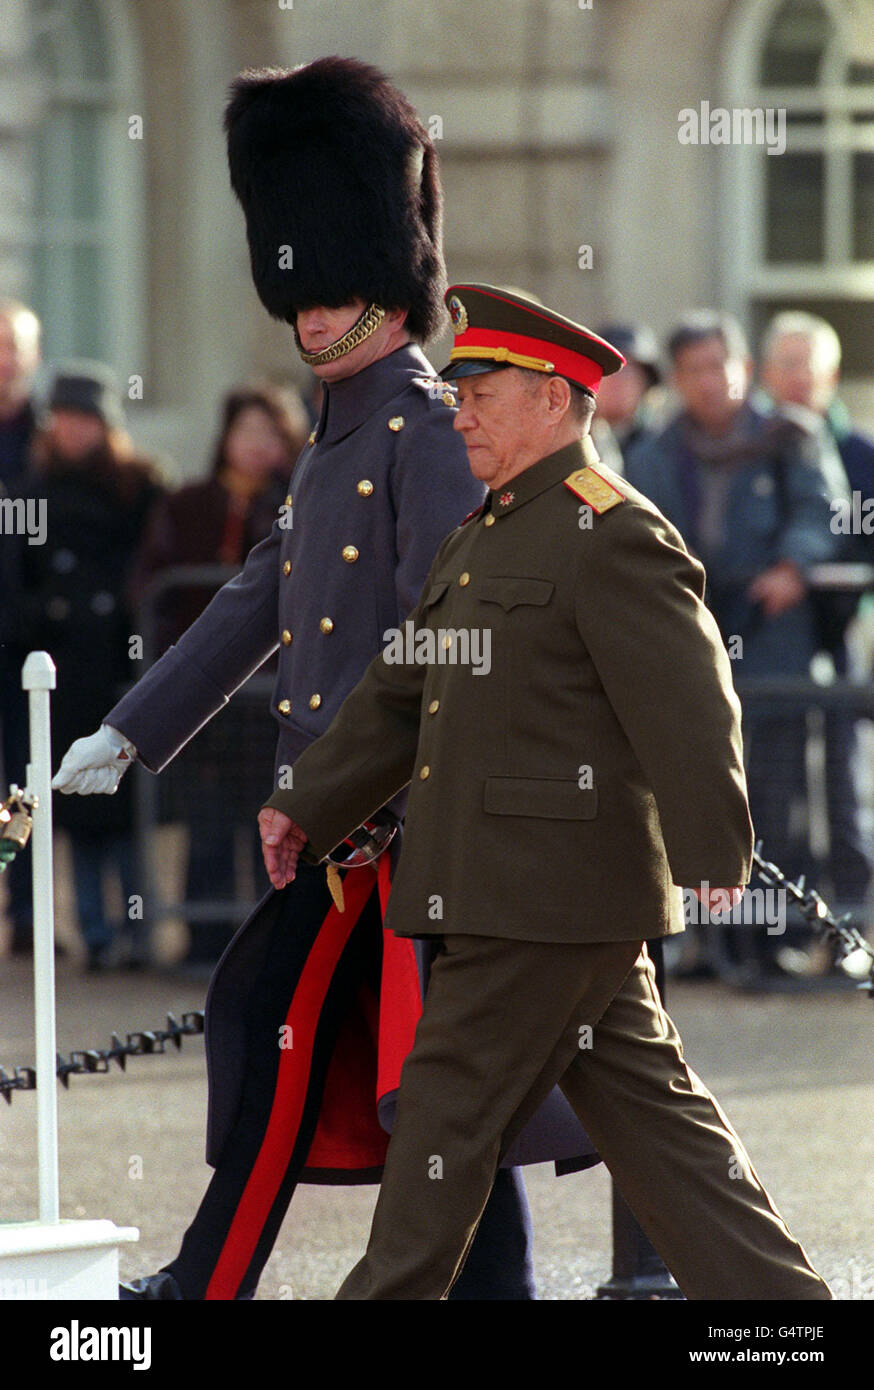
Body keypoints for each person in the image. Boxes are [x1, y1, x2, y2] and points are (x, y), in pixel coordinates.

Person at [53, 59, 596, 1301]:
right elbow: (256, 597)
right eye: (297, 292)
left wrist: (374, 793)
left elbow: (447, 631)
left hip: (391, 821)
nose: (306, 314)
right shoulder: (339, 432)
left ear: (387, 289)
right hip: (340, 817)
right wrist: (131, 732)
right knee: (376, 1072)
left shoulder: (415, 423)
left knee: (348, 1063)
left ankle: (213, 1282)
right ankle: (235, 1279)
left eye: (331, 290)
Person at [256, 282, 832, 1301]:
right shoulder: (487, 529)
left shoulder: (611, 532)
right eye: (459, 392)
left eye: (481, 392)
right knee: (661, 1133)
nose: (459, 411)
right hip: (532, 895)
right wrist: (306, 798)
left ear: (554, 401)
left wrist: (713, 848)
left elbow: (689, 703)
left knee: (440, 1121)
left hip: (542, 895)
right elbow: (402, 694)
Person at [625, 311, 848, 984]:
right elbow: (637, 529)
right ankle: (704, 943)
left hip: (773, 638)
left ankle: (770, 943)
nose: (708, 381)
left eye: (718, 365)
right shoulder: (656, 451)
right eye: (692, 368)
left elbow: (823, 510)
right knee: (691, 791)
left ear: (743, 368)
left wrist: (794, 566)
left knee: (774, 796)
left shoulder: (789, 435)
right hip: (689, 641)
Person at [131, 383, 308, 970]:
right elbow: (151, 586)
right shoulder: (188, 503)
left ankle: (268, 948)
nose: (257, 446)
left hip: (274, 698)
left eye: (270, 433)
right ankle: (203, 945)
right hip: (205, 701)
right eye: (246, 431)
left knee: (274, 823)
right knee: (207, 823)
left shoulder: (299, 502)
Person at [8, 363, 164, 969]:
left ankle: (137, 931)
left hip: (120, 669)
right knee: (76, 802)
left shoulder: (141, 488)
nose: (74, 431)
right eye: (65, 419)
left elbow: (151, 567)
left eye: (86, 419)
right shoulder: (28, 495)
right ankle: (98, 934)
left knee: (125, 804)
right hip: (61, 673)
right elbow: (17, 581)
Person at [760, 311, 874, 920]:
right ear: (765, 372)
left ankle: (854, 917)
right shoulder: (752, 446)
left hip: (842, 637)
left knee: (845, 779)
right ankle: (786, 926)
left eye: (810, 365)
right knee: (777, 784)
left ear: (832, 374)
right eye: (786, 364)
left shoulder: (862, 455)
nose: (799, 378)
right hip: (771, 640)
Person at [0, 299, 42, 954]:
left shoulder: (49, 436)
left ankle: (31, 917)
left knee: (24, 780)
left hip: (29, 637)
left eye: (11, 346)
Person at [593, 322, 663, 464]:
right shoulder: (571, 443)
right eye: (609, 370)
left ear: (646, 384)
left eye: (628, 371)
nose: (617, 381)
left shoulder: (667, 448)